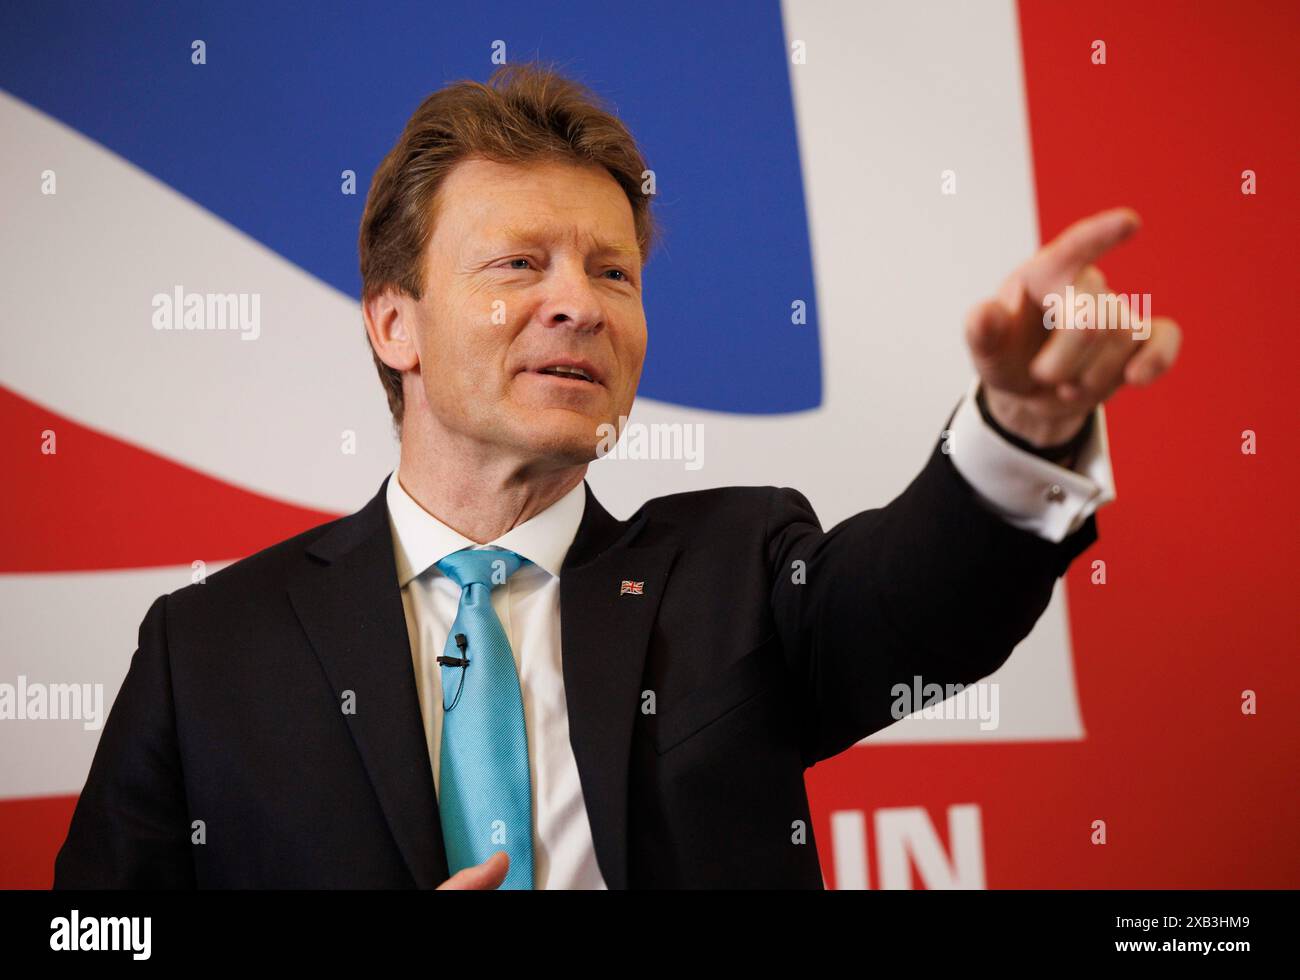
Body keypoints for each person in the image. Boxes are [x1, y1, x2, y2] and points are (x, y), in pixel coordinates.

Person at [53, 62, 1180, 890]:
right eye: (518, 263)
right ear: (394, 320)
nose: (581, 303)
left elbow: (919, 607)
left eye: (612, 271)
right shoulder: (207, 646)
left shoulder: (733, 568)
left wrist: (1020, 426)